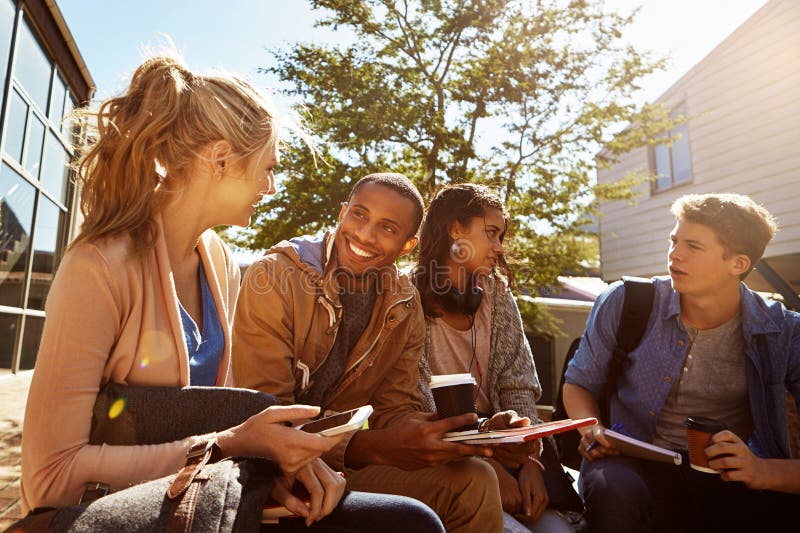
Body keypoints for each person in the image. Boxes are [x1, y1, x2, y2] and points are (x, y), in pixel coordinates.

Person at [20, 55, 443, 532]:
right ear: (221, 159)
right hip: (122, 513)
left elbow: (212, 430)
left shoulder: (219, 262)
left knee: (411, 521)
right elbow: (49, 478)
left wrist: (268, 470)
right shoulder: (96, 268)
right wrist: (231, 447)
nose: (271, 186)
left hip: (199, 498)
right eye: (267, 168)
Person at [233, 173, 505, 532]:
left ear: (408, 246)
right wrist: (367, 446)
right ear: (343, 212)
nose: (364, 234)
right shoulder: (275, 277)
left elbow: (395, 409)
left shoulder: (405, 306)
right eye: (359, 215)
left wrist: (469, 434)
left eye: (388, 228)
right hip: (261, 465)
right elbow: (268, 415)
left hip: (336, 461)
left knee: (475, 479)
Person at [563, 193, 800, 532]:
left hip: (721, 473)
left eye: (693, 245)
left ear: (738, 264)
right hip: (626, 460)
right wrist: (593, 429)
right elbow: (579, 383)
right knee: (612, 494)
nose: (674, 253)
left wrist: (762, 470)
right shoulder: (626, 301)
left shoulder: (784, 332)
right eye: (674, 240)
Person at [414, 184, 574, 533]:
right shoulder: (406, 299)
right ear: (456, 229)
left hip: (510, 454)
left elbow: (519, 383)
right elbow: (416, 402)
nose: (499, 247)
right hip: (449, 461)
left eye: (500, 235)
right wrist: (485, 466)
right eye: (491, 233)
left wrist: (532, 459)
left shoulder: (496, 295)